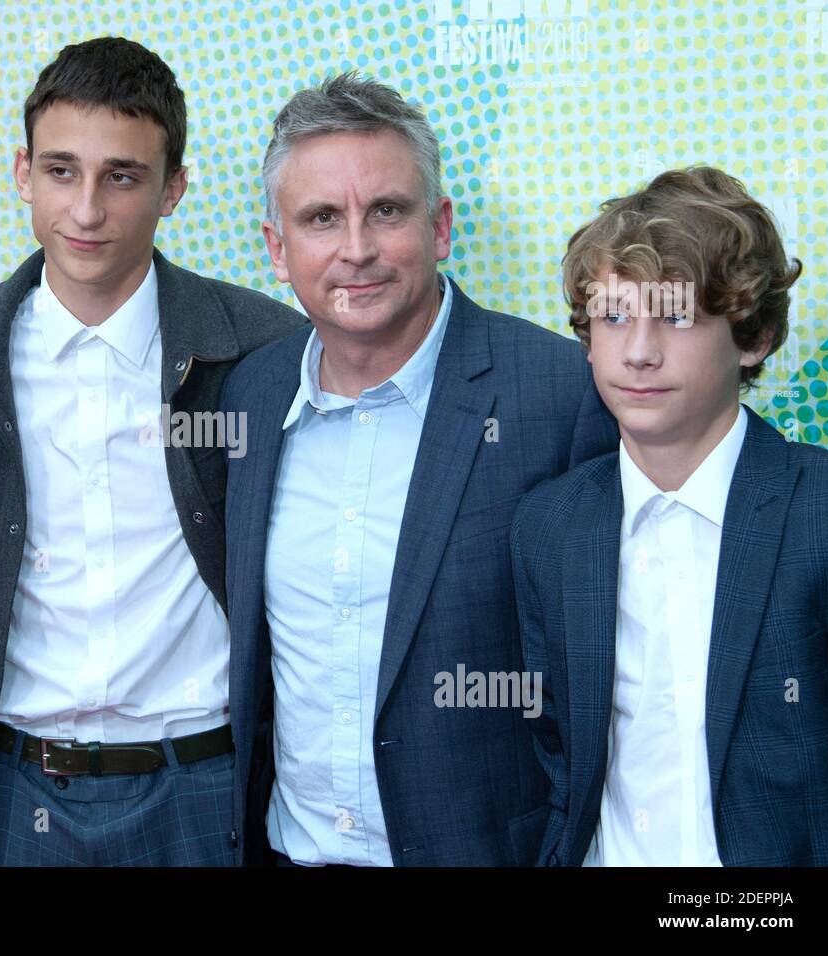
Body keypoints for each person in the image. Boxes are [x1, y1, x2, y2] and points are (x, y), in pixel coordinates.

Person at [0, 36, 305, 866]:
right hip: (15, 790)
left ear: (174, 189)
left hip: (202, 787)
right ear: (21, 173)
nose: (86, 210)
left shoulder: (262, 352)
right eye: (61, 171)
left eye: (122, 177)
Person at [221, 71, 618, 867]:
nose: (357, 249)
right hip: (287, 854)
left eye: (388, 211)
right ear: (277, 247)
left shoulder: (562, 393)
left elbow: (615, 680)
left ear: (438, 227)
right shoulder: (251, 397)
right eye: (322, 218)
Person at [511, 166, 828, 866]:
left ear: (754, 337)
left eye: (676, 316)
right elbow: (558, 755)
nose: (637, 351)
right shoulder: (549, 528)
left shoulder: (826, 512)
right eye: (614, 316)